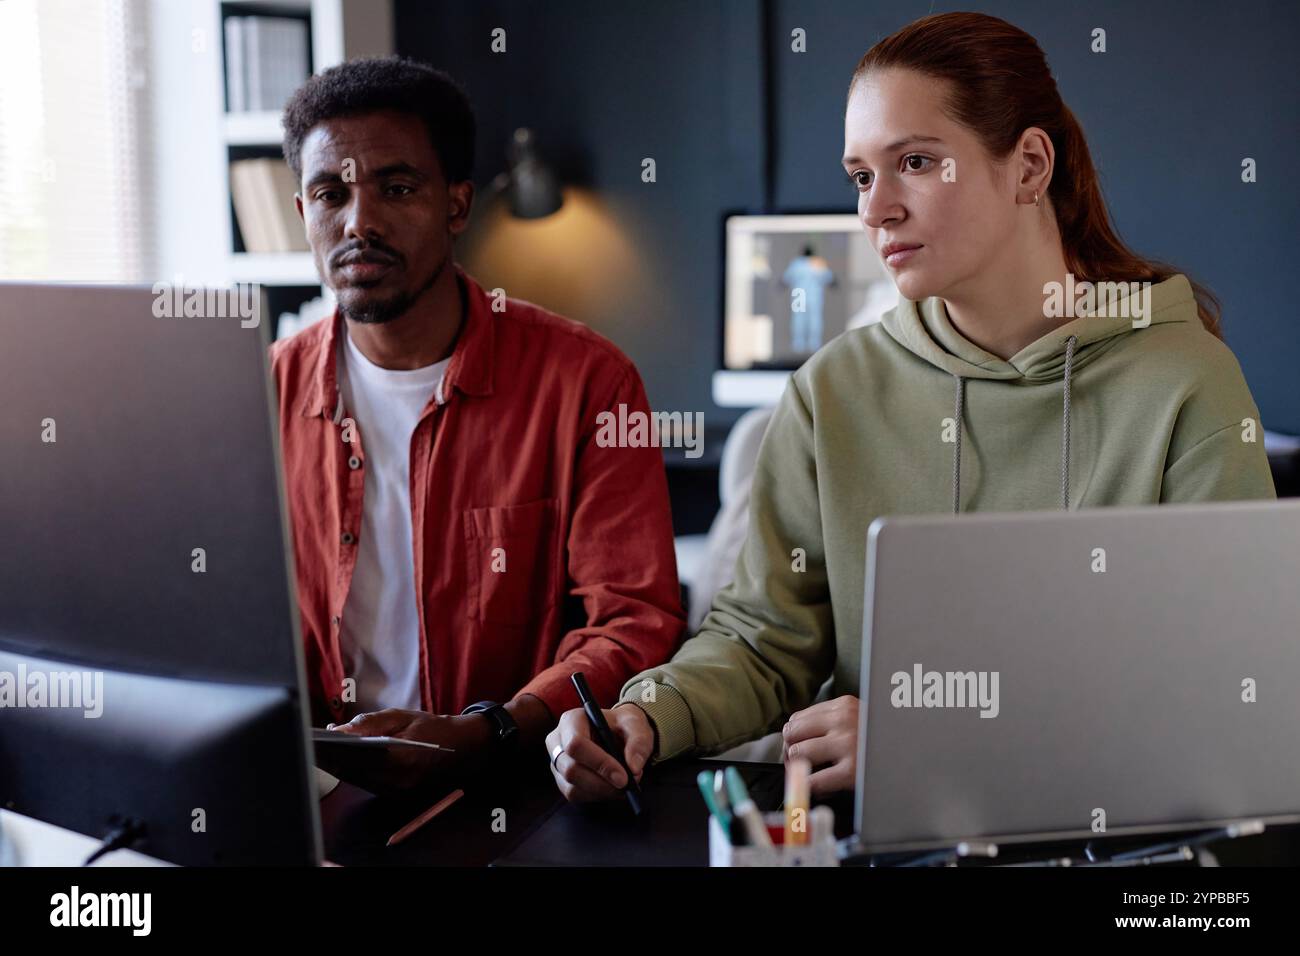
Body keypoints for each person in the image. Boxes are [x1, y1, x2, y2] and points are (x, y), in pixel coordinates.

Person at [546, 11, 1276, 802]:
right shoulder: (830, 392)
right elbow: (765, 643)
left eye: (916, 162)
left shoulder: (1186, 381)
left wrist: (940, 738)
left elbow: (1229, 683)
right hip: (879, 839)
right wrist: (651, 713)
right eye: (861, 175)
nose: (874, 209)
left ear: (1030, 165)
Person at [269, 56, 684, 793]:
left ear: (457, 206)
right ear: (303, 213)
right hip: (314, 791)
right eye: (331, 193)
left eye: (397, 188)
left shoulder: (589, 383)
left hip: (518, 785)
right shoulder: (259, 396)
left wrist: (489, 729)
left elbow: (635, 621)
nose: (359, 221)